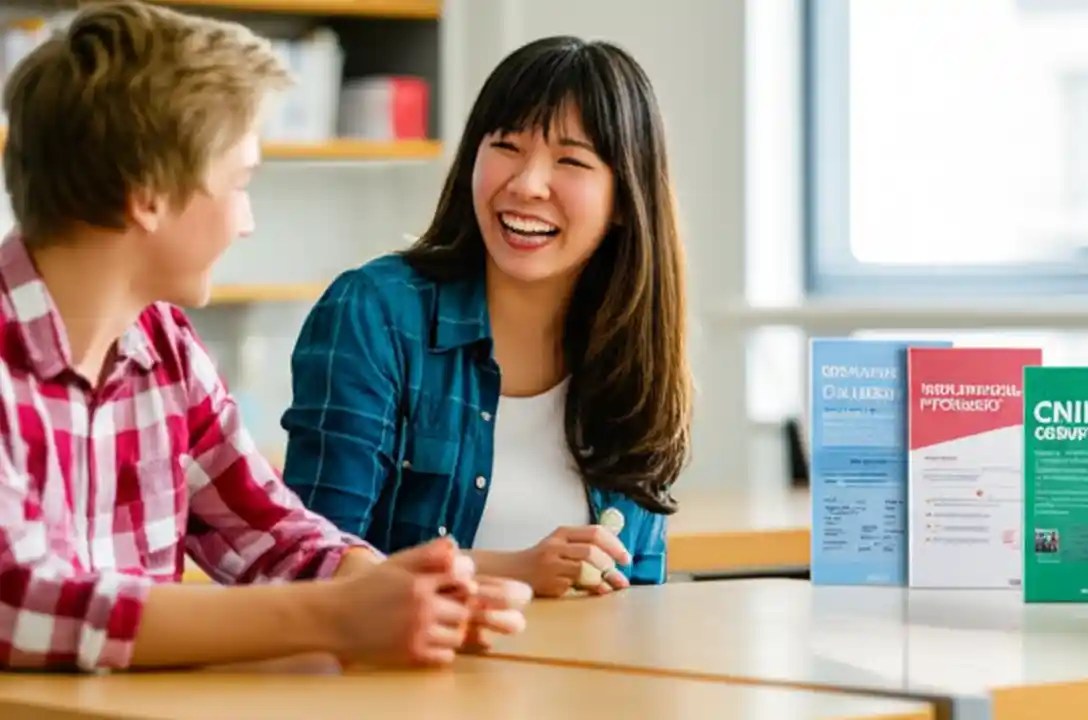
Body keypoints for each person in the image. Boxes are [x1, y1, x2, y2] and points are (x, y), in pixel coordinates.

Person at [0, 0, 529, 672]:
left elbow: (273, 533)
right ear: (148, 195)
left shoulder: (164, 348)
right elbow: (19, 601)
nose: (246, 220)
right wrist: (339, 616)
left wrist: (407, 593)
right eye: (240, 181)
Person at [281, 35, 693, 598]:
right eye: (506, 145)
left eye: (570, 160)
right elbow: (312, 563)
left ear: (625, 199)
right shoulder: (375, 312)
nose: (526, 184)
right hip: (398, 680)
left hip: (589, 683)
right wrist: (515, 569)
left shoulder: (636, 357)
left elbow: (641, 598)